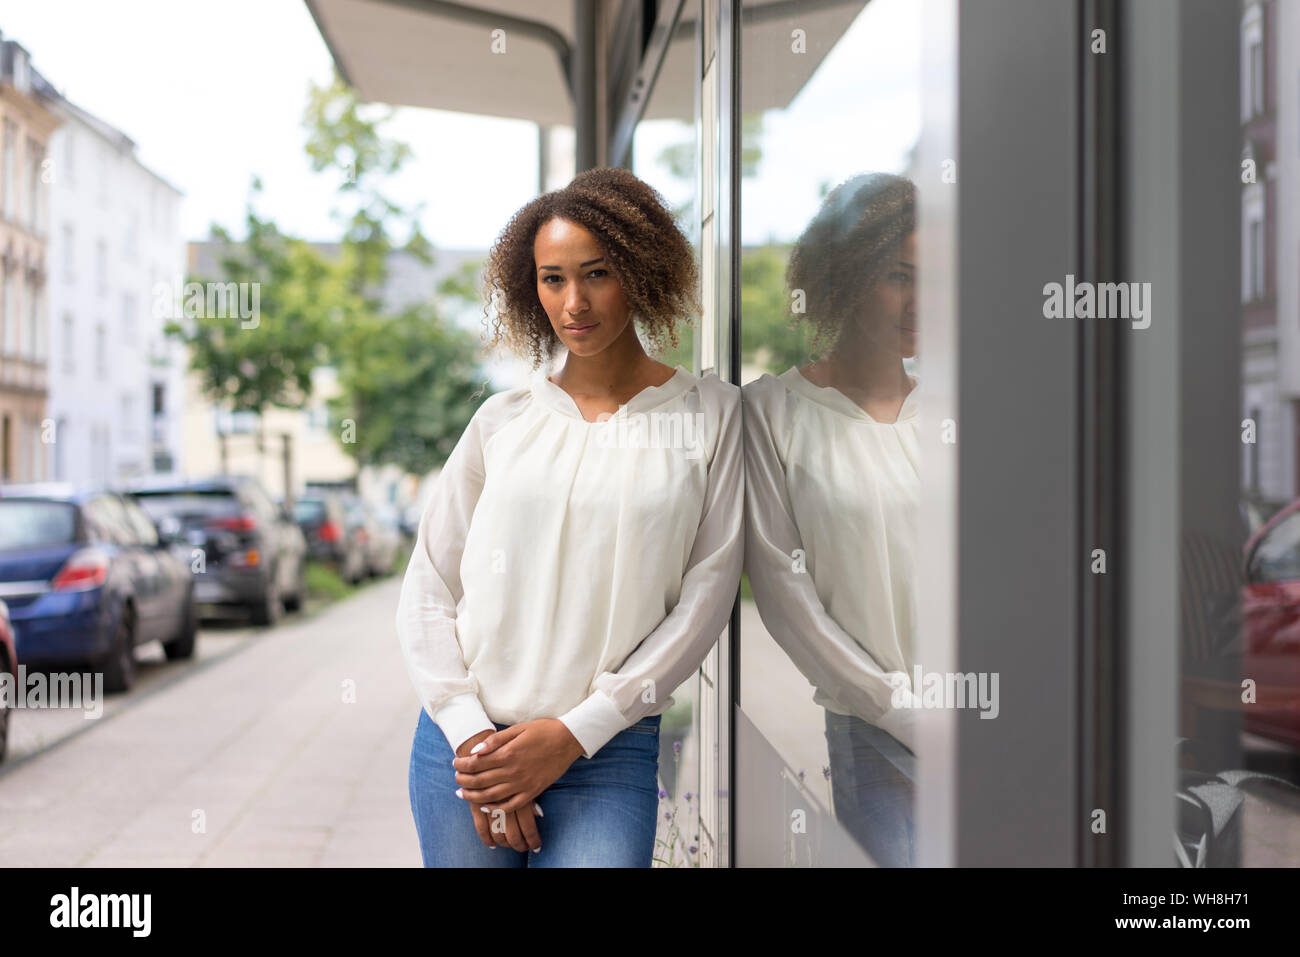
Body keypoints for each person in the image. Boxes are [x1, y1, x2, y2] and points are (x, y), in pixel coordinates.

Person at [398, 166, 744, 867]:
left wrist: (573, 733)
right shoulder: (502, 420)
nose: (574, 301)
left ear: (641, 272)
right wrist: (473, 738)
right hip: (466, 750)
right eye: (552, 279)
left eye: (597, 273)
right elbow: (429, 587)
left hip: (603, 753)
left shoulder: (711, 415)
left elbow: (706, 599)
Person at [741, 172, 921, 866]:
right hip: (871, 727)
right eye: (899, 275)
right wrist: (900, 708)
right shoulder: (772, 412)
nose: (920, 302)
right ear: (843, 275)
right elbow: (788, 599)